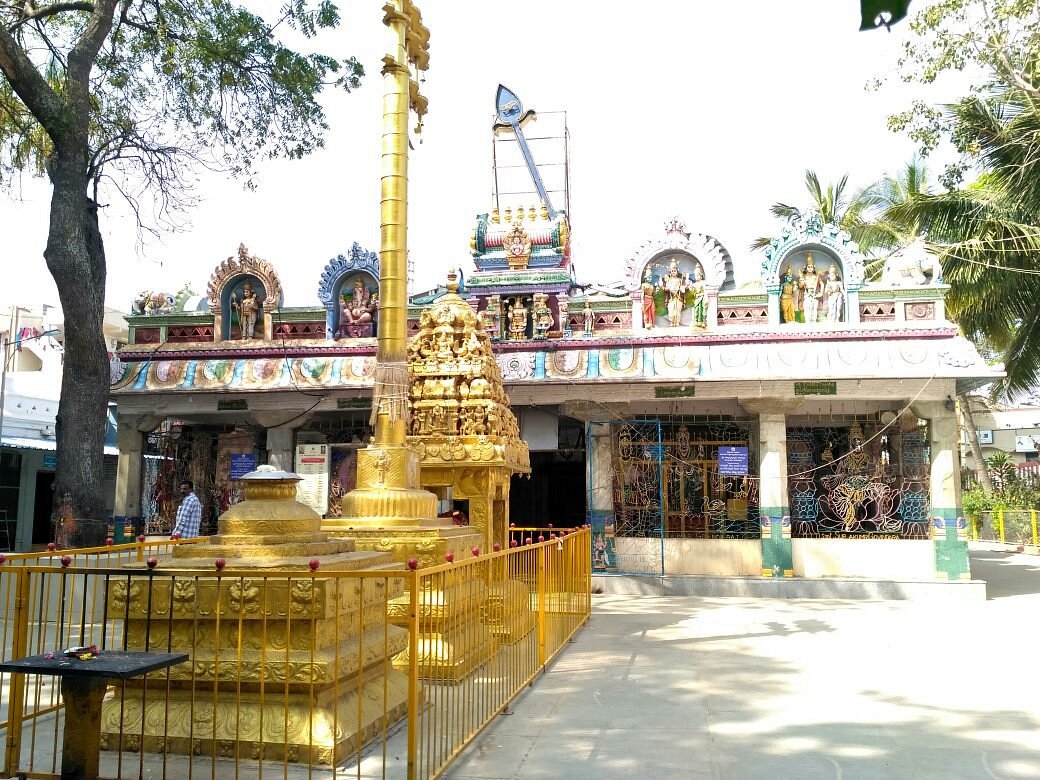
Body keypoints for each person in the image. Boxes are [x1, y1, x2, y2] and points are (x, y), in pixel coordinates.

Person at [799, 254, 821, 324]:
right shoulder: (804, 276)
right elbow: (800, 286)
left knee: (814, 309)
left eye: (811, 267)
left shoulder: (816, 276)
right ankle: (807, 322)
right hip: (807, 294)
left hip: (814, 294)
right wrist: (802, 281)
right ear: (806, 268)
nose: (810, 268)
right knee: (807, 308)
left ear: (813, 268)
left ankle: (813, 322)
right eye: (809, 267)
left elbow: (822, 284)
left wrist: (821, 293)